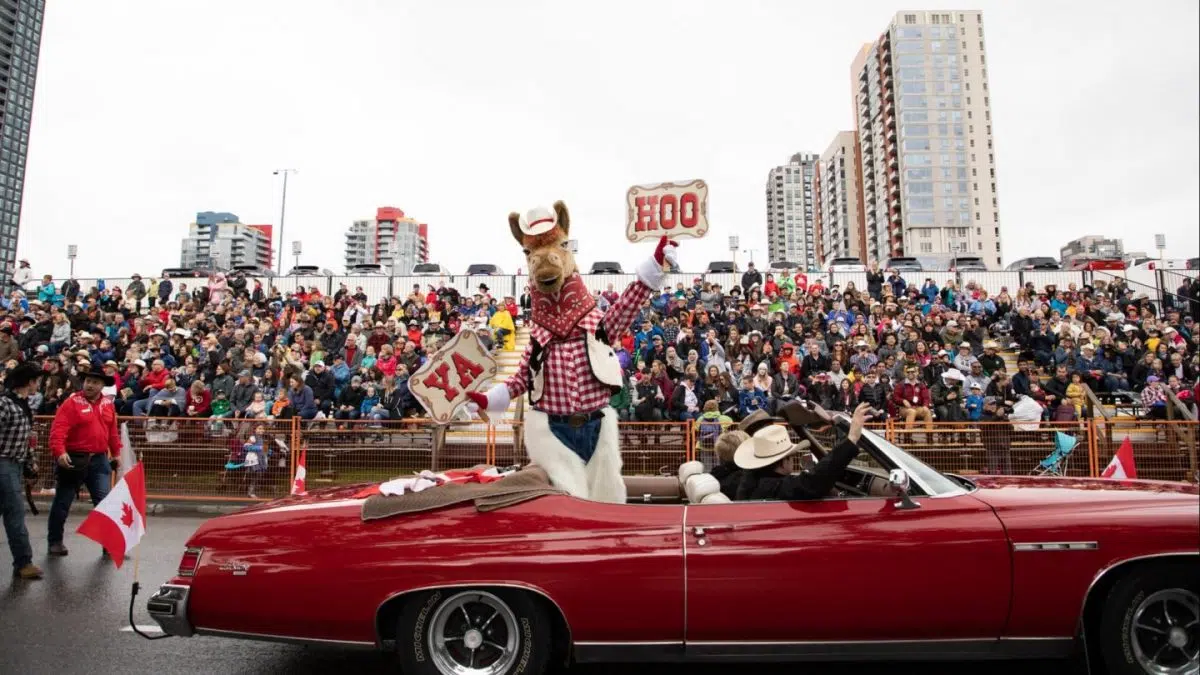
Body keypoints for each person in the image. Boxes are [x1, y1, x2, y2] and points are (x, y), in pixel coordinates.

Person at [46, 370, 122, 557]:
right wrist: (60, 452)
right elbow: (58, 430)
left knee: (105, 503)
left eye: (95, 382)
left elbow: (112, 431)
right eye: (88, 381)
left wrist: (117, 453)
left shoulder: (107, 404)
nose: (89, 385)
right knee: (63, 502)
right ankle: (55, 541)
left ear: (102, 386)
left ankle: (109, 544)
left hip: (99, 459)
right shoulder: (71, 403)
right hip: (74, 458)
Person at [734, 402, 870, 501]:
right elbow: (815, 481)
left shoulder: (750, 481)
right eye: (792, 456)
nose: (794, 460)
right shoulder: (775, 487)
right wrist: (851, 438)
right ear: (783, 463)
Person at [0, 362, 44, 579]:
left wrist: (29, 465)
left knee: (12, 514)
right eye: (37, 380)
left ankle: (22, 561)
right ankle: (23, 562)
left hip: (14, 464)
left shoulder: (24, 405)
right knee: (15, 514)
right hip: (4, 462)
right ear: (29, 382)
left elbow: (26, 441)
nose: (39, 385)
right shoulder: (5, 404)